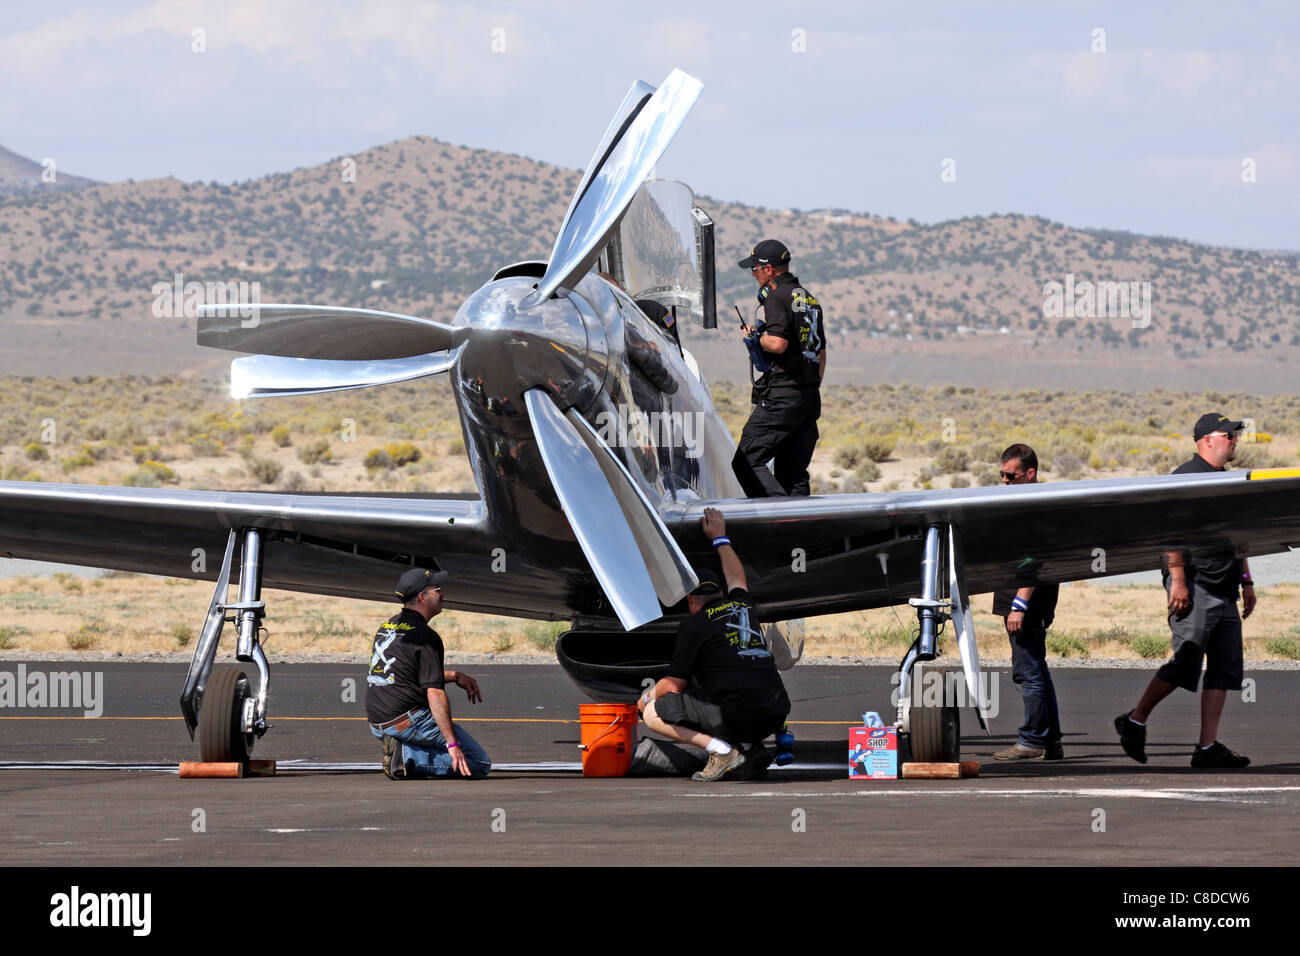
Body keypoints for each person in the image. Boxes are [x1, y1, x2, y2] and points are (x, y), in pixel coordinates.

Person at [1116, 413, 1256, 769]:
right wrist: (1177, 578)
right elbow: (1169, 530)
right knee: (1186, 661)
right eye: (1229, 435)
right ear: (1207, 439)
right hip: (1194, 583)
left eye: (1236, 435)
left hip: (1225, 587)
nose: (1235, 440)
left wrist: (1247, 581)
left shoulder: (1227, 481)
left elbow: (1237, 538)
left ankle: (1207, 747)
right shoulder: (1186, 477)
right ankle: (1134, 720)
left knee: (1224, 668)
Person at [638, 507, 792, 781]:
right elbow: (736, 577)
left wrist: (648, 697)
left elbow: (674, 686)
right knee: (719, 688)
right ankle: (748, 749)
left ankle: (721, 751)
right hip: (775, 712)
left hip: (739, 714)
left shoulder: (693, 625)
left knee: (653, 713)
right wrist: (720, 538)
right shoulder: (743, 605)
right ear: (722, 593)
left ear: (690, 601)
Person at [365, 568, 491, 780]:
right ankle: (406, 757)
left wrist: (454, 675)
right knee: (478, 762)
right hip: (406, 722)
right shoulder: (426, 636)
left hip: (378, 723)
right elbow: (434, 693)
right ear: (422, 597)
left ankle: (401, 747)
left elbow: (407, 673)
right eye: (438, 589)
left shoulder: (387, 625)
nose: (443, 594)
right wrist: (452, 744)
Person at [731, 239, 826, 498]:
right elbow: (821, 353)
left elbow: (778, 343)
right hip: (808, 399)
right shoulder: (809, 298)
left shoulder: (776, 297)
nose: (753, 274)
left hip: (782, 397)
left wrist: (755, 337)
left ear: (769, 269)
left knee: (746, 460)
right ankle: (804, 536)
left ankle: (779, 522)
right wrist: (808, 387)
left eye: (755, 269)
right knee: (792, 476)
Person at [991, 444, 1064, 761]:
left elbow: (1034, 561)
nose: (1005, 481)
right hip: (1028, 600)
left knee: (1028, 673)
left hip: (1026, 603)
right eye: (1002, 476)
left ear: (1030, 473)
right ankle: (1050, 742)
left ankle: (1032, 741)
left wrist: (1019, 605)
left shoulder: (1033, 508)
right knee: (1039, 671)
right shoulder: (1029, 503)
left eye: (1011, 475)